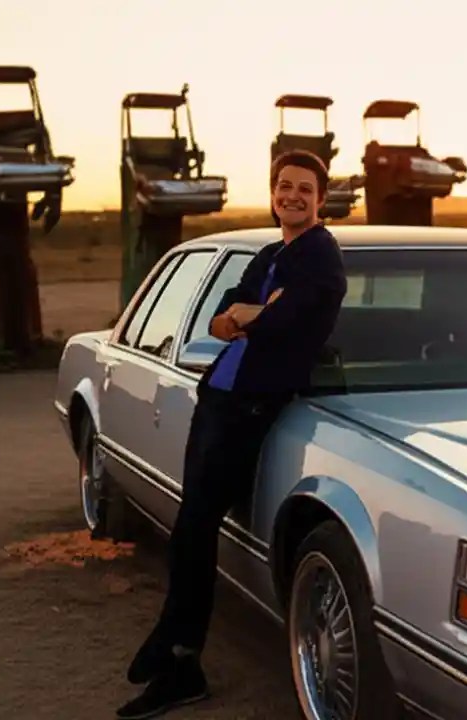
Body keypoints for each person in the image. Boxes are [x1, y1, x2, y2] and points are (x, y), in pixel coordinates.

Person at [117, 149, 347, 719]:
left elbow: (285, 323)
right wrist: (246, 313)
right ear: (274, 192)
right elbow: (221, 316)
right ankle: (174, 651)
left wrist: (255, 316)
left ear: (321, 199)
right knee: (187, 530)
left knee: (195, 529)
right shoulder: (271, 252)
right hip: (216, 397)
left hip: (251, 408)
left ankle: (177, 656)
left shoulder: (322, 259)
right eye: (284, 186)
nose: (293, 195)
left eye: (305, 189)